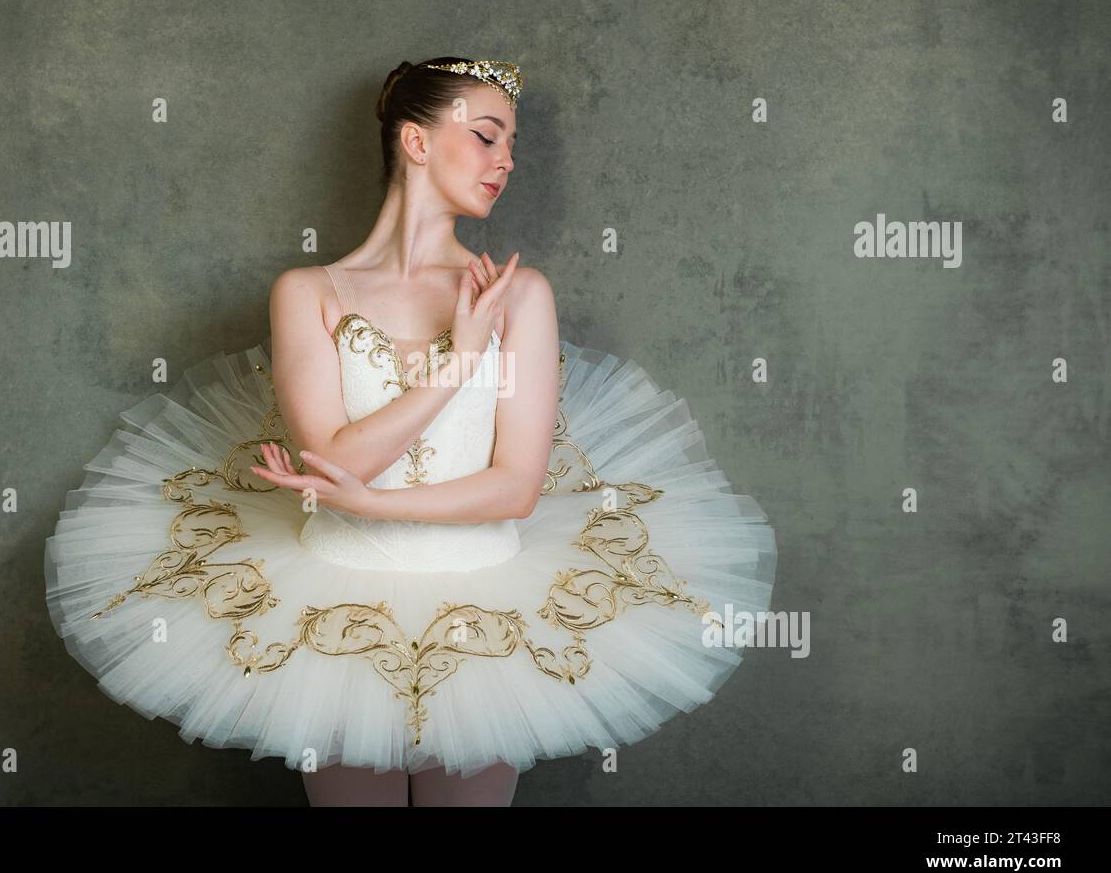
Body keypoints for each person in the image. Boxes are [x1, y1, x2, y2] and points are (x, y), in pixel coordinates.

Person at [44, 57, 778, 807]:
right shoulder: (307, 294)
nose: (507, 161)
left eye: (513, 144)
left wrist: (370, 504)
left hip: (489, 602)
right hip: (327, 607)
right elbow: (328, 457)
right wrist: (458, 362)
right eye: (487, 136)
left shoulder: (517, 295)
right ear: (416, 143)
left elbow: (515, 488)